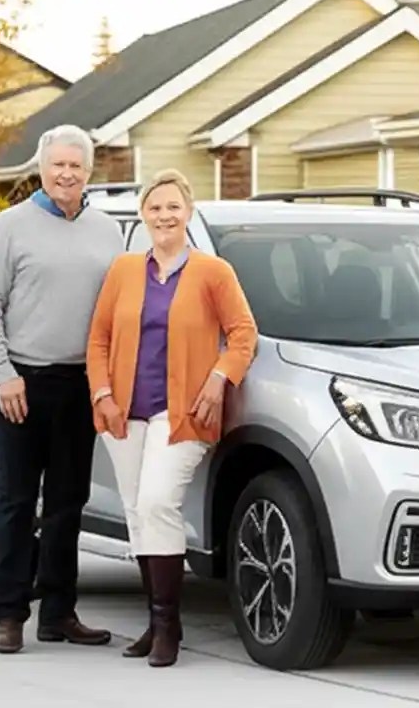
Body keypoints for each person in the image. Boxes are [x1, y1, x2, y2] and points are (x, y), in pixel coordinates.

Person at [85, 168, 258, 667]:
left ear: (189, 212)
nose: (164, 216)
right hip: (122, 413)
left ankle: (168, 629)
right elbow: (98, 339)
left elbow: (244, 333)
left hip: (182, 413)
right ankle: (158, 623)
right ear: (144, 214)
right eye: (156, 207)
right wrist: (102, 393)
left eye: (174, 207)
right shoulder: (123, 271)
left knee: (160, 502)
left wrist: (219, 378)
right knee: (139, 512)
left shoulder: (213, 272)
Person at [0, 124, 124, 654]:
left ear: (88, 172)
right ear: (42, 168)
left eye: (76, 166)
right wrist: (2, 374)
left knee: (67, 504)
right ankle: (9, 614)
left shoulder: (108, 232)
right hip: (22, 382)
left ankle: (58, 613)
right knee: (15, 502)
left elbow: (118, 312)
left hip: (80, 384)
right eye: (58, 164)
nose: (66, 174)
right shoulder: (9, 225)